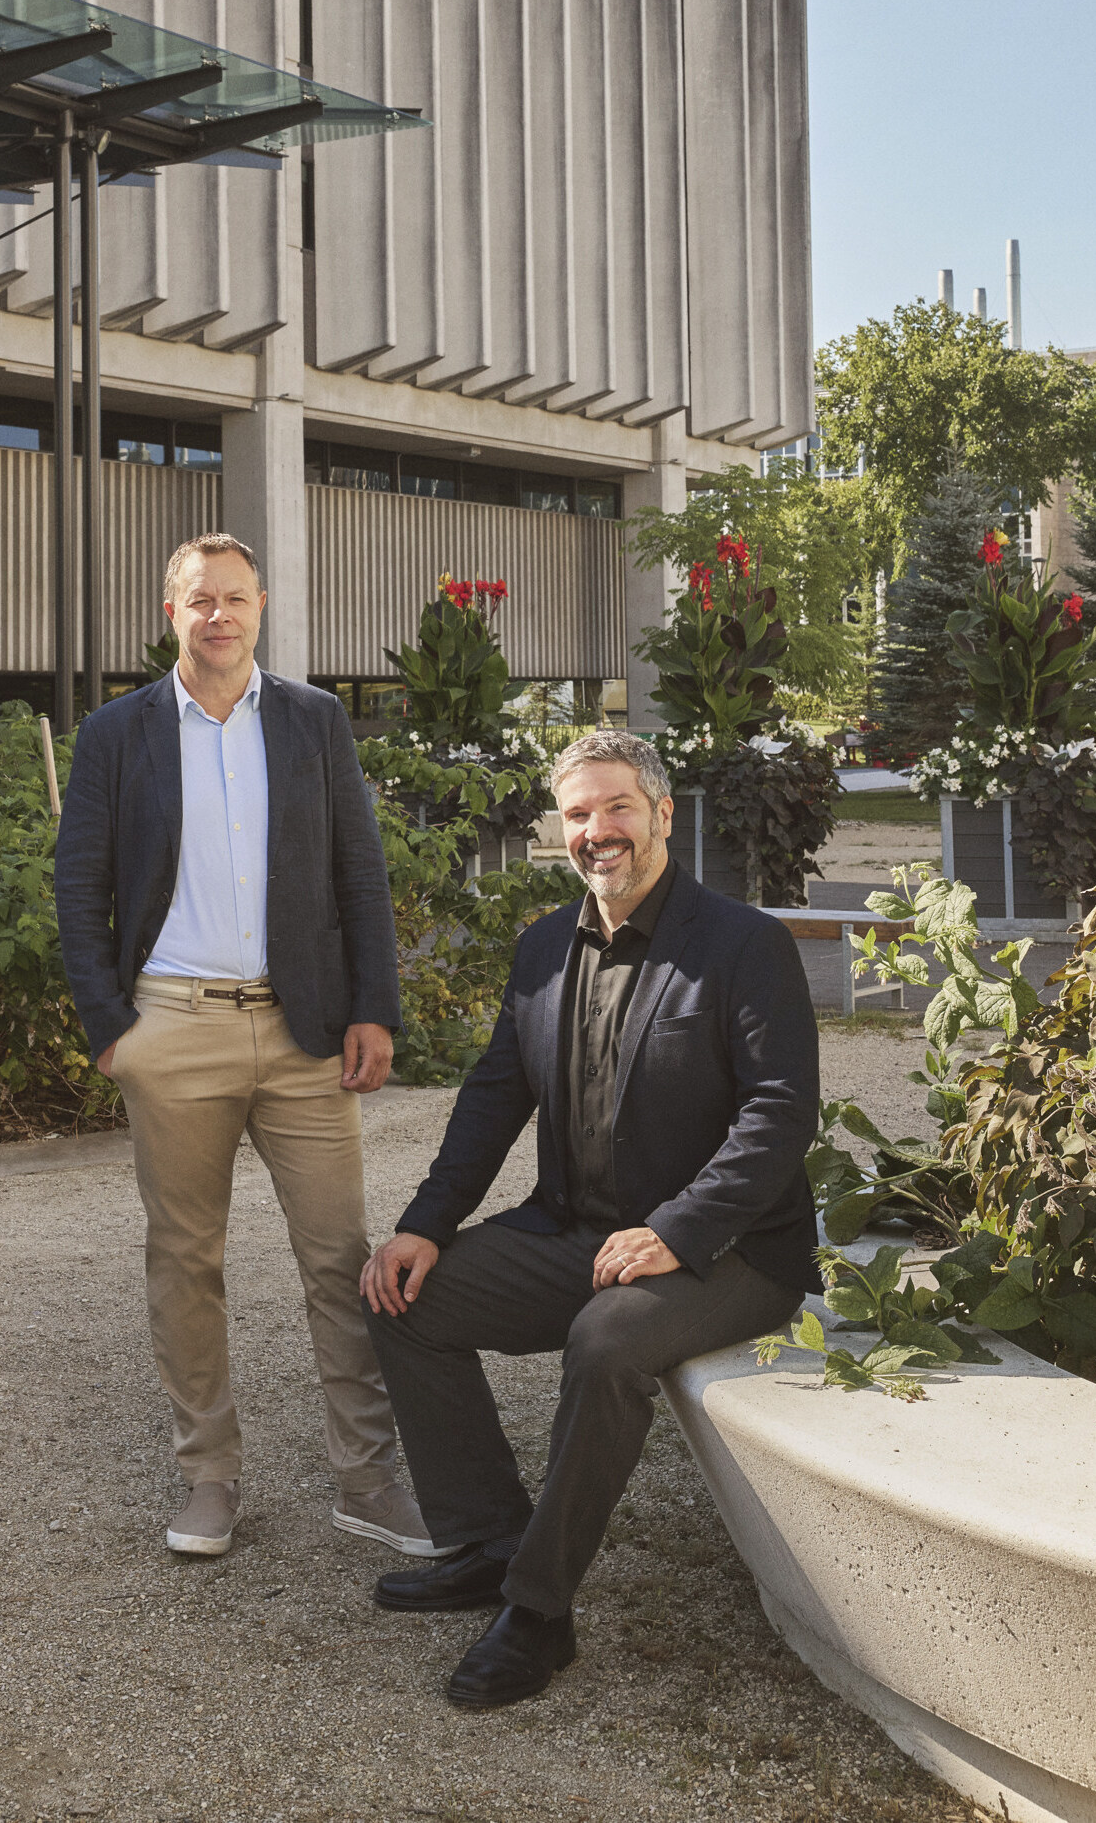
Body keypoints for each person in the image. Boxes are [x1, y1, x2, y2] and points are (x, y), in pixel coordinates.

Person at [356, 727, 819, 1708]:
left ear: (659, 812)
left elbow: (779, 1114)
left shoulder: (743, 944)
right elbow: (490, 1098)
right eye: (576, 813)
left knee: (607, 1346)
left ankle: (536, 1611)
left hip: (725, 1252)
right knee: (403, 1299)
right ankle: (487, 1542)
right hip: (575, 1231)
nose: (596, 829)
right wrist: (424, 1225)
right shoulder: (540, 950)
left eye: (616, 807)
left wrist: (679, 1228)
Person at [51, 533, 433, 1563]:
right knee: (185, 1261)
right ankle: (207, 1475)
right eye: (196, 600)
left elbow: (359, 873)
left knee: (337, 1258)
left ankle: (367, 1476)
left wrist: (373, 1009)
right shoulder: (114, 734)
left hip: (303, 1032)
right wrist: (110, 1031)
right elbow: (78, 887)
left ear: (260, 606)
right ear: (168, 611)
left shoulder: (312, 721)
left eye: (233, 598)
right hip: (168, 1028)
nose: (216, 615)